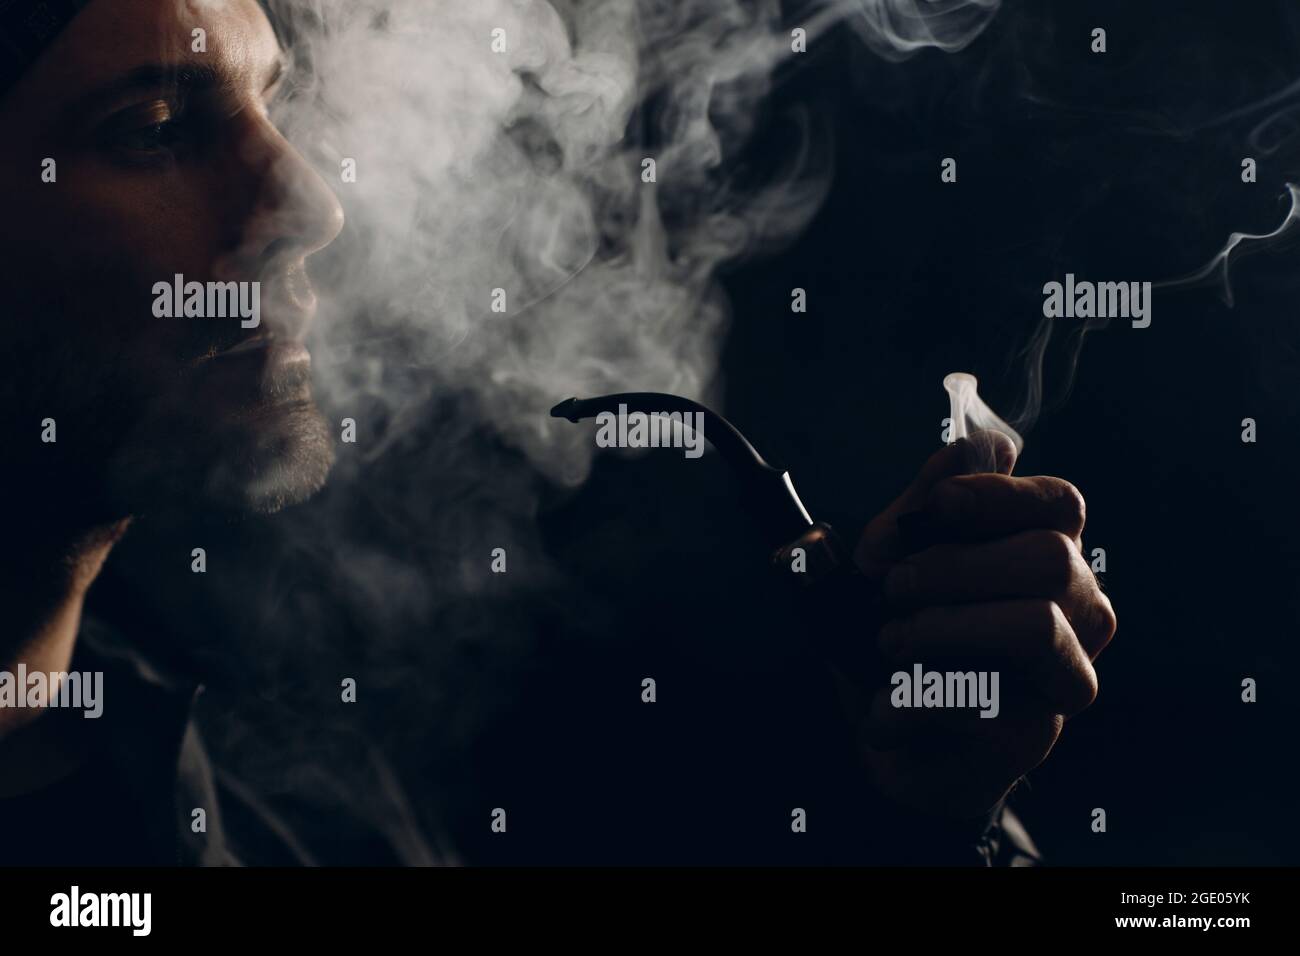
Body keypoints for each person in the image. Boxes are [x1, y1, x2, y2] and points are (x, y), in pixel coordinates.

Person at [0, 0, 1115, 865]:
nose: (309, 200)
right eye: (153, 129)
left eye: (269, 107)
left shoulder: (282, 799)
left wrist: (919, 819)